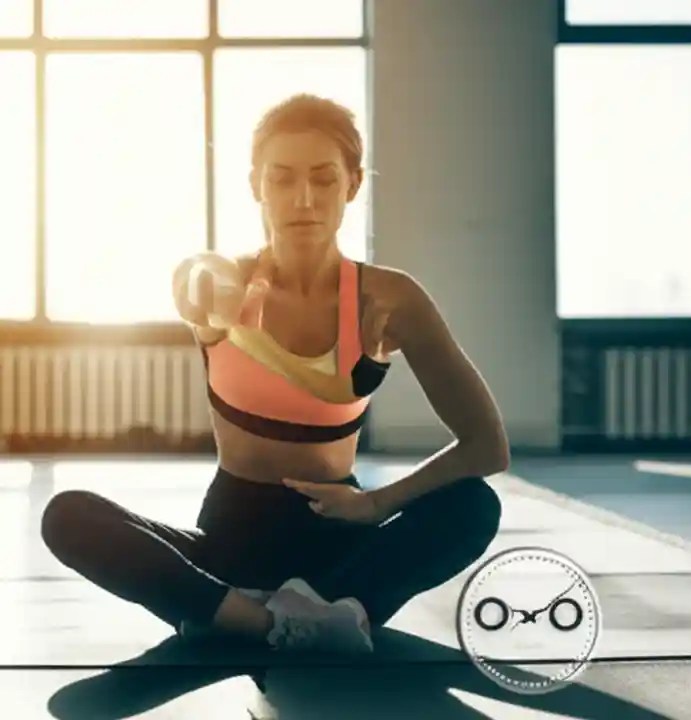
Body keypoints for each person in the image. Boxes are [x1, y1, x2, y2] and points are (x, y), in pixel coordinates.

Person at [39, 93, 508, 654]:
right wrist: (202, 287)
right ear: (256, 185)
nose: (303, 199)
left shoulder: (390, 298)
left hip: (338, 538)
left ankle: (246, 614)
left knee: (475, 505)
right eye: (282, 179)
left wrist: (380, 504)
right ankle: (289, 622)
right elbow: (193, 277)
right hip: (229, 540)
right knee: (68, 516)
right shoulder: (223, 284)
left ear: (353, 184)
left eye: (324, 179)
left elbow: (487, 447)